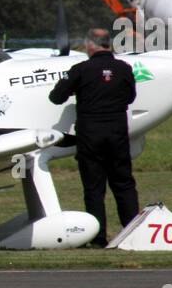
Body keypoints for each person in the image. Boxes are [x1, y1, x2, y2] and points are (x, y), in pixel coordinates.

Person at [48, 27, 139, 246]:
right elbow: (130, 97)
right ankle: (134, 234)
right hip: (117, 135)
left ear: (90, 45)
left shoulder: (81, 69)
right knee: (124, 184)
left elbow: (56, 97)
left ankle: (98, 238)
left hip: (90, 137)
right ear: (108, 44)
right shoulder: (124, 68)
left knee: (94, 189)